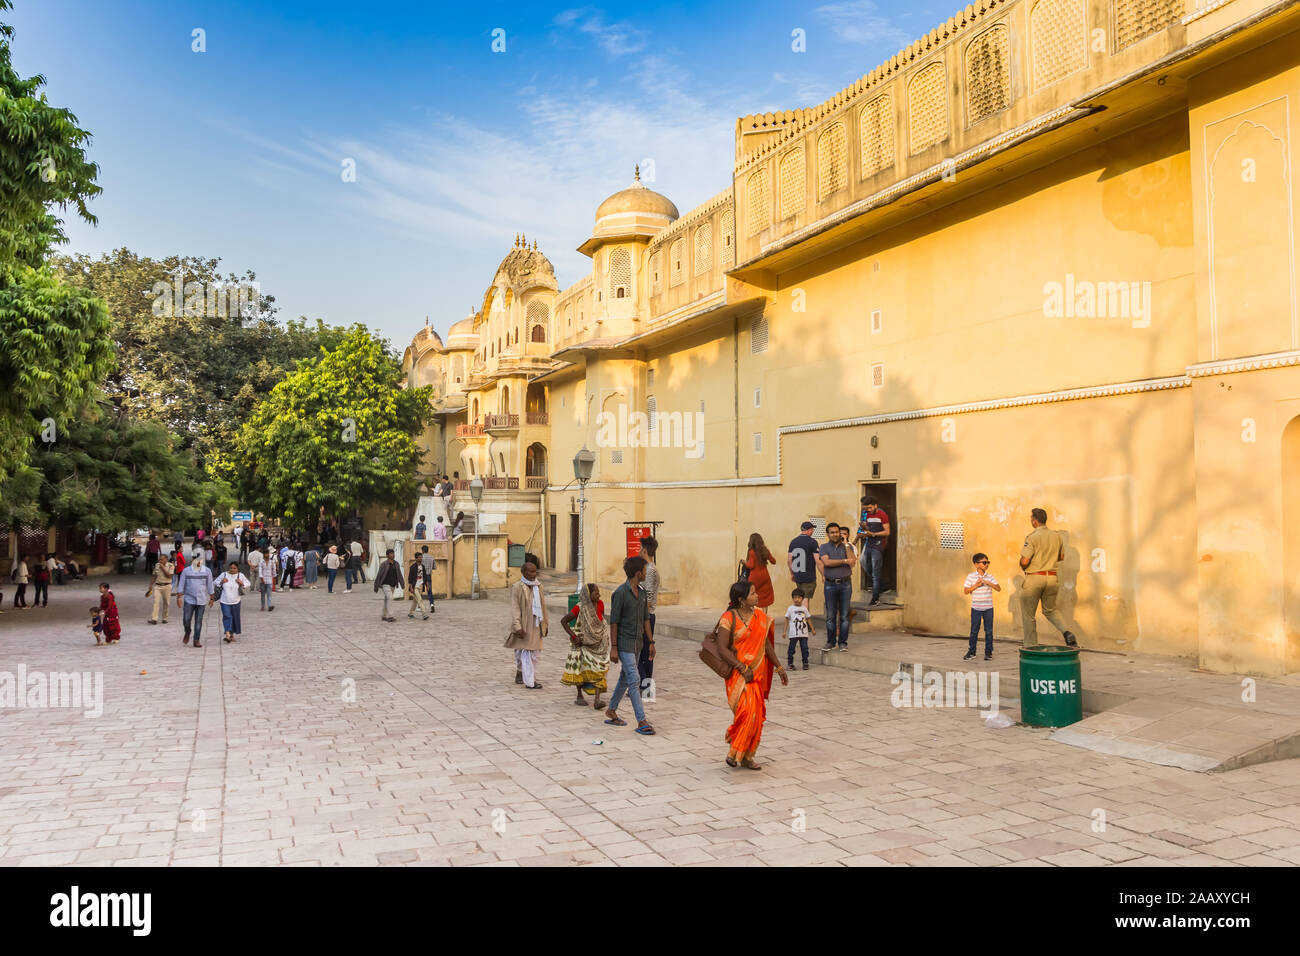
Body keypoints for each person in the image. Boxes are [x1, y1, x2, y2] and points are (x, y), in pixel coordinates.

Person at [714, 580, 788, 769]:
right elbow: (722, 648)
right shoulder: (728, 618)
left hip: (756, 673)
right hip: (737, 674)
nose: (757, 596)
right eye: (753, 593)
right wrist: (741, 667)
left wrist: (779, 668)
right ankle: (735, 752)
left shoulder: (761, 616)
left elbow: (767, 646)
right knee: (746, 712)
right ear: (741, 599)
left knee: (757, 715)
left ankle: (746, 756)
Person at [603, 555, 655, 735]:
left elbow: (646, 619)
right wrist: (614, 647)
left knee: (625, 678)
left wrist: (651, 642)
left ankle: (611, 709)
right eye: (644, 570)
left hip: (638, 644)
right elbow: (614, 622)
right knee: (634, 679)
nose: (646, 573)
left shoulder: (641, 593)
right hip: (624, 644)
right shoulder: (620, 593)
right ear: (637, 572)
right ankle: (641, 720)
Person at [1018, 508, 1078, 647]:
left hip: (1034, 577)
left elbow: (1025, 561)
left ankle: (1030, 646)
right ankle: (1067, 632)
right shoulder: (1057, 536)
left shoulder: (1032, 537)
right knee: (1050, 610)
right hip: (1052, 578)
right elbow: (1061, 557)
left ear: (1034, 520)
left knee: (1028, 615)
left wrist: (1023, 565)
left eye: (1031, 518)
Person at [560, 583, 609, 708]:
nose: (599, 595)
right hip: (582, 643)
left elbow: (600, 622)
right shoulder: (579, 608)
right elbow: (564, 621)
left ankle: (597, 700)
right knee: (580, 668)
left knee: (600, 668)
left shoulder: (601, 604)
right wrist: (573, 636)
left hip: (598, 644)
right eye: (596, 593)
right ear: (588, 595)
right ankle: (579, 695)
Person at [506, 554, 548, 689]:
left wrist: (545, 624)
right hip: (523, 624)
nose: (533, 574)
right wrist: (517, 626)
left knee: (534, 652)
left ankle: (521, 672)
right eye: (530, 571)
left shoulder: (539, 586)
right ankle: (530, 681)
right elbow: (515, 607)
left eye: (535, 571)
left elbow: (543, 606)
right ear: (523, 572)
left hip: (536, 624)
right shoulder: (517, 587)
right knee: (523, 652)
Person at [817, 522, 856, 650]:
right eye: (832, 532)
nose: (835, 534)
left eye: (837, 532)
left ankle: (843, 643)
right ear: (828, 534)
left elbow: (853, 561)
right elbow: (827, 562)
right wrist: (844, 561)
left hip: (846, 584)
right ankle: (831, 642)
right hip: (830, 584)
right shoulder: (823, 547)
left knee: (844, 616)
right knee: (830, 616)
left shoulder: (847, 546)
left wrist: (846, 544)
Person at [964, 552, 1001, 661]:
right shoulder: (970, 576)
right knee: (974, 631)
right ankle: (972, 652)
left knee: (989, 631)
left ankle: (988, 652)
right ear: (976, 564)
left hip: (989, 608)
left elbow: (999, 588)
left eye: (988, 562)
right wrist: (976, 585)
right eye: (984, 562)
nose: (987, 564)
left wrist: (988, 583)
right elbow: (966, 591)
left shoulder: (990, 577)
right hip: (976, 608)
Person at [857, 496, 891, 607]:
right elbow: (867, 527)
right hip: (868, 542)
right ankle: (881, 585)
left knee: (876, 571)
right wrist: (864, 529)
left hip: (878, 544)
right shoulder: (865, 513)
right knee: (863, 562)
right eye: (866, 508)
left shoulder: (882, 514)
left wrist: (874, 534)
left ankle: (875, 598)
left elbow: (887, 532)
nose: (868, 510)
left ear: (875, 505)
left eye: (870, 508)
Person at [638, 536, 660, 700]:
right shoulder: (648, 569)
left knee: (644, 653)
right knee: (644, 652)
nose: (639, 552)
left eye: (640, 549)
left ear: (645, 550)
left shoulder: (650, 570)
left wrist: (641, 617)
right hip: (645, 616)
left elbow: (649, 597)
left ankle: (646, 689)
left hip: (646, 617)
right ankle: (643, 687)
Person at [177, 554, 214, 647]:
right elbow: (181, 584)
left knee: (198, 621)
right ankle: (188, 631)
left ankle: (196, 640)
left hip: (201, 600)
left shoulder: (207, 571)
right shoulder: (186, 571)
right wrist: (179, 597)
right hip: (189, 599)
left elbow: (210, 584)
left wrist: (212, 598)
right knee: (186, 619)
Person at [214, 561, 251, 643]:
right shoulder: (223, 574)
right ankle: (227, 634)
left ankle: (232, 634)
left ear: (238, 569)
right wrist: (221, 582)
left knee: (234, 618)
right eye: (231, 568)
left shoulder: (240, 575)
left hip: (236, 600)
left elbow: (248, 583)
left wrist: (241, 583)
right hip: (224, 600)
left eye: (234, 568)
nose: (232, 570)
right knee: (227, 616)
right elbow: (215, 582)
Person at [787, 520, 820, 602]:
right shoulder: (813, 542)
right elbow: (818, 560)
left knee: (800, 597)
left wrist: (792, 573)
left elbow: (789, 560)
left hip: (797, 575)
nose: (812, 531)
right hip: (808, 575)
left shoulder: (793, 542)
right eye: (812, 529)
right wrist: (823, 574)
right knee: (805, 598)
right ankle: (805, 615)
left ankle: (801, 614)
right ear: (809, 530)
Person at [743, 532, 776, 610]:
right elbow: (773, 561)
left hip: (754, 577)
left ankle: (755, 617)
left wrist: (744, 562)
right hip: (765, 576)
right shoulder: (765, 550)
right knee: (765, 598)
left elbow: (751, 565)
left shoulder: (751, 552)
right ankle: (764, 618)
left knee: (752, 595)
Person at [785, 587, 815, 671]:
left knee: (805, 649)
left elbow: (808, 618)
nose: (797, 599)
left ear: (802, 598)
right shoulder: (790, 608)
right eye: (795, 597)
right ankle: (790, 664)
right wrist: (784, 631)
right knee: (791, 649)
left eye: (799, 597)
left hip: (803, 633)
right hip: (793, 634)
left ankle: (805, 663)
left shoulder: (804, 609)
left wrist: (812, 629)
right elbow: (786, 619)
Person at [374, 548, 403, 622]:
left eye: (393, 553)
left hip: (393, 585)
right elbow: (379, 575)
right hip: (385, 584)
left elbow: (399, 574)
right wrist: (376, 585)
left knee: (387, 600)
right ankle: (390, 616)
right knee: (390, 598)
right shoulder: (384, 564)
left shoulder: (396, 564)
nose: (393, 555)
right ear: (387, 555)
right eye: (391, 554)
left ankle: (383, 615)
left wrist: (402, 584)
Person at [147, 551, 174, 625]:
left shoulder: (171, 565)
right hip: (158, 586)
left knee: (166, 603)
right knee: (156, 602)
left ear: (166, 559)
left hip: (167, 586)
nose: (160, 561)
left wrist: (162, 568)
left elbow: (169, 576)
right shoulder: (157, 565)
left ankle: (165, 618)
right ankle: (154, 619)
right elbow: (154, 575)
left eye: (161, 559)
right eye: (159, 559)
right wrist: (150, 585)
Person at [406, 554, 430, 620]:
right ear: (416, 559)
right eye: (419, 557)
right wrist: (411, 587)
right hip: (414, 586)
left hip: (421, 585)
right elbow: (410, 578)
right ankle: (424, 614)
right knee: (420, 600)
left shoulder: (423, 567)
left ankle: (410, 613)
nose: (421, 558)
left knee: (415, 601)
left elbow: (425, 577)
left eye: (421, 557)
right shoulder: (412, 567)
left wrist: (427, 585)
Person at [258, 547, 277, 612]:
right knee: (262, 594)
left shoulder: (272, 562)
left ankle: (269, 606)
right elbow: (260, 571)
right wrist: (261, 578)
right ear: (263, 554)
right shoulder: (261, 562)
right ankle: (262, 606)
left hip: (269, 580)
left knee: (269, 594)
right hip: (262, 580)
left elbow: (274, 571)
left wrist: (274, 579)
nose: (267, 555)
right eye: (265, 554)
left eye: (268, 553)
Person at [420, 545, 437, 613]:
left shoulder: (421, 557)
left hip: (421, 576)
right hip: (429, 576)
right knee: (429, 591)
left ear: (423, 550)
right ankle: (432, 604)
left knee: (420, 590)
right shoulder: (431, 557)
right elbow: (434, 567)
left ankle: (419, 606)